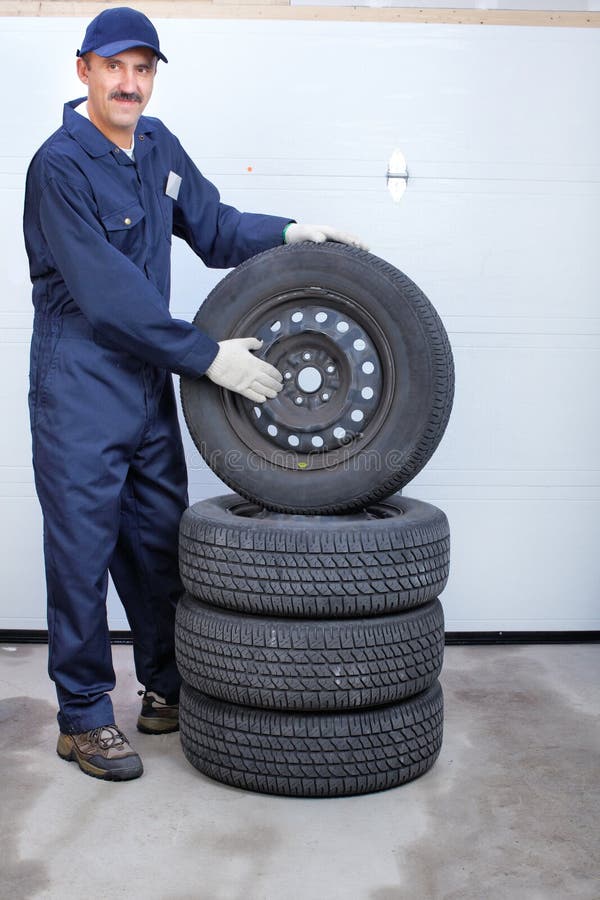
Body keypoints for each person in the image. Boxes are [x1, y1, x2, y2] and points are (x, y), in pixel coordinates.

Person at [23, 6, 366, 782]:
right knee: (81, 553)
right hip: (79, 384)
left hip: (145, 385)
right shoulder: (60, 164)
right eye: (115, 67)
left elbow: (213, 226)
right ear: (85, 70)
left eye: (143, 69)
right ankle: (81, 717)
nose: (130, 83)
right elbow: (110, 300)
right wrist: (207, 357)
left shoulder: (158, 149)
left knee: (154, 544)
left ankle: (165, 691)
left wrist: (287, 236)